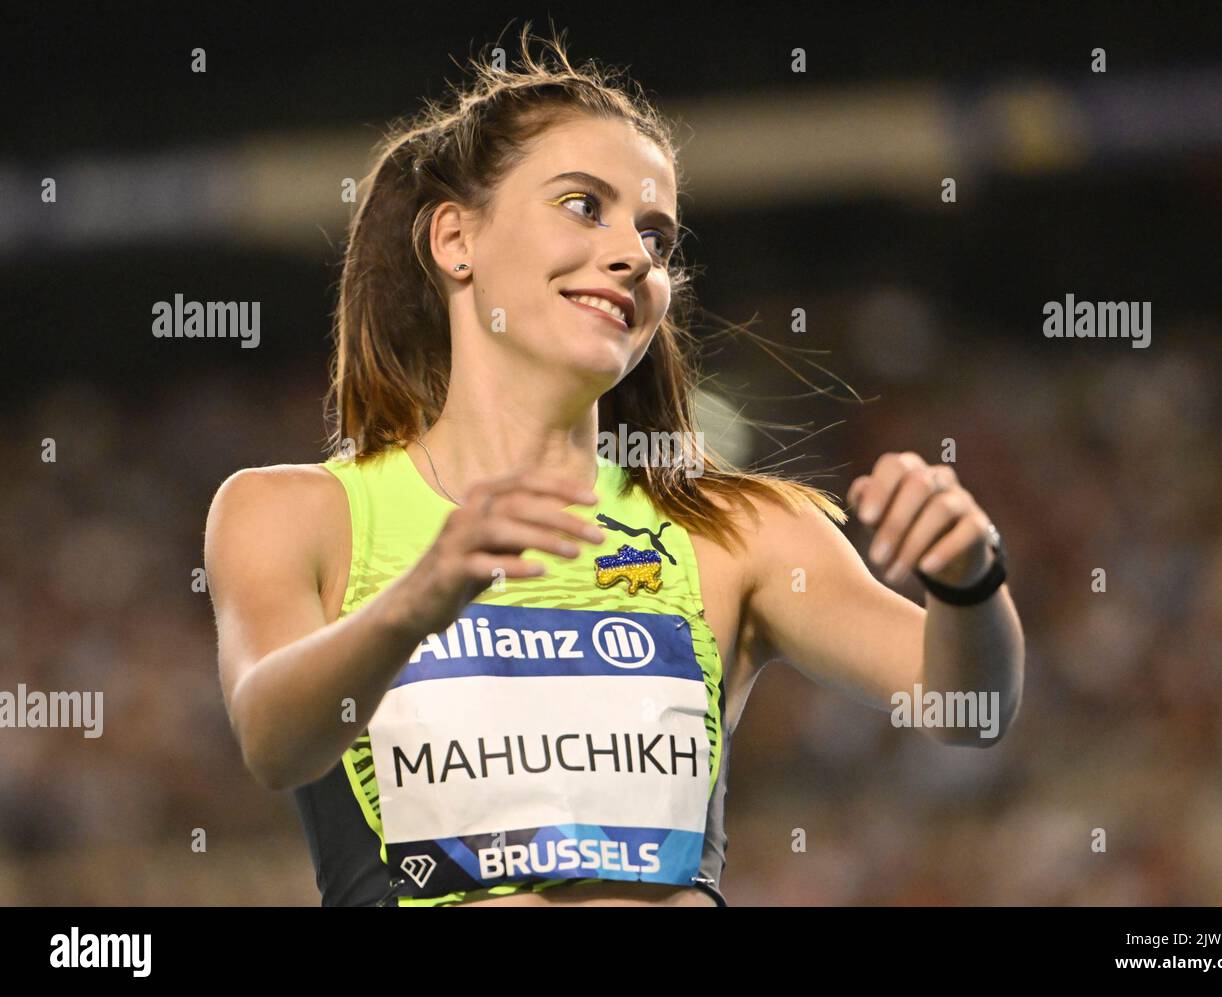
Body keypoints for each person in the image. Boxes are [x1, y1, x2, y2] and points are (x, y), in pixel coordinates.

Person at [203, 25, 1025, 907]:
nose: (635, 254)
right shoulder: (293, 514)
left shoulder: (736, 533)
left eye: (658, 236)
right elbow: (274, 739)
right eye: (583, 206)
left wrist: (971, 580)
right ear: (454, 240)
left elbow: (966, 711)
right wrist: (420, 597)